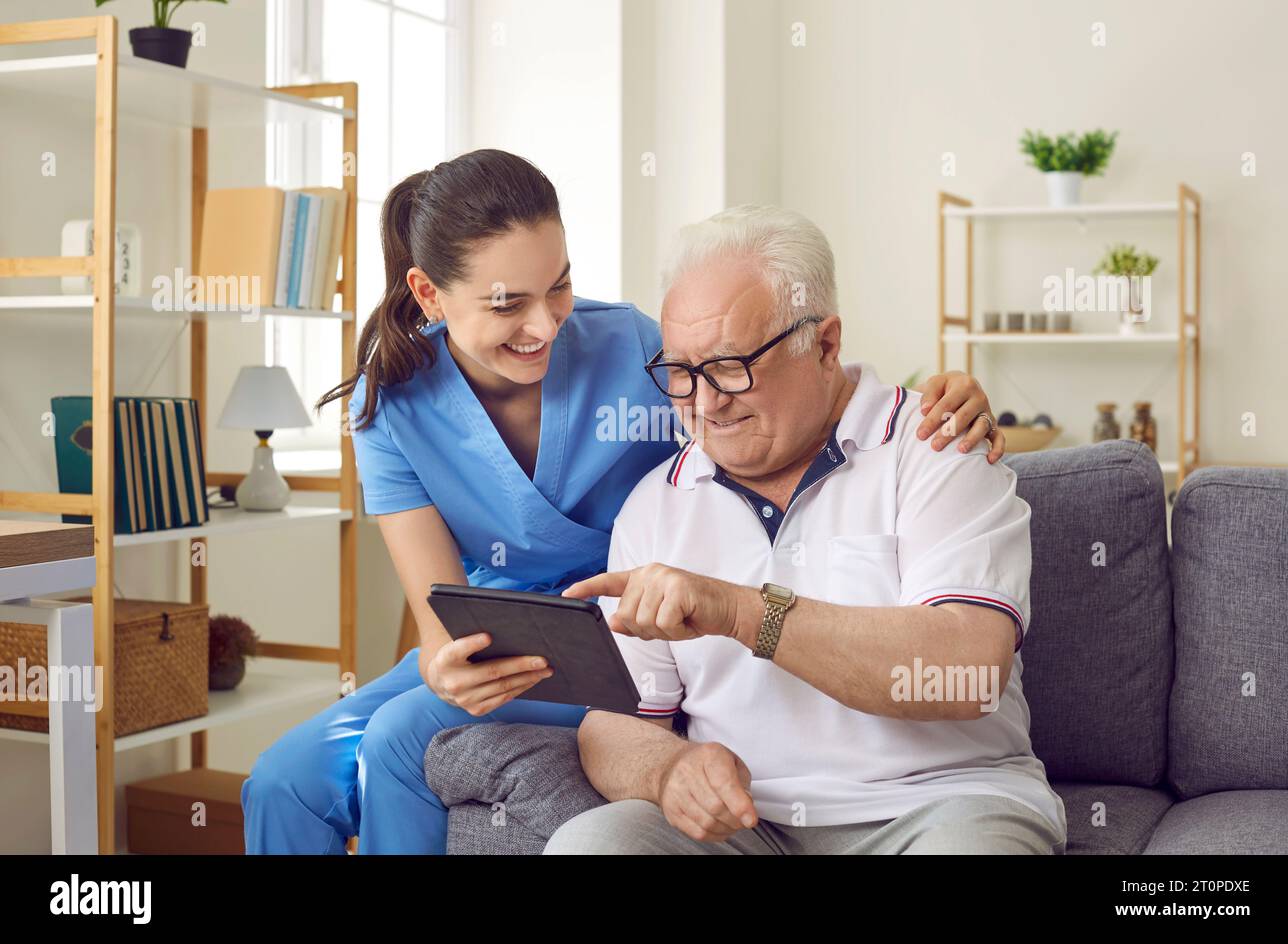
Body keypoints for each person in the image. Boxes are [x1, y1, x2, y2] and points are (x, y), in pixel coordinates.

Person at [240, 150, 1006, 854]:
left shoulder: (634, 350)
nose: (544, 325)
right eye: (508, 303)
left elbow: (785, 390)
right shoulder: (389, 402)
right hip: (499, 635)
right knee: (281, 781)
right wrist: (446, 666)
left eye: (560, 285)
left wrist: (938, 393)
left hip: (621, 634)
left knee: (402, 737)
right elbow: (442, 608)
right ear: (428, 294)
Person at [546, 205, 1066, 855]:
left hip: (943, 804)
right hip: (748, 825)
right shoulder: (656, 503)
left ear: (823, 344)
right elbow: (613, 721)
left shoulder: (937, 445)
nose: (704, 405)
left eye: (733, 366)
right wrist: (668, 769)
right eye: (681, 373)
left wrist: (741, 612)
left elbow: (967, 672)